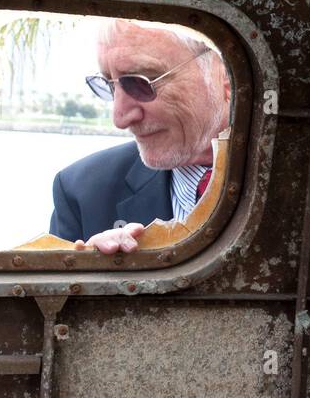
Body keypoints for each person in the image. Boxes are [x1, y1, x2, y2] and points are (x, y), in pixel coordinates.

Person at [48, 19, 231, 253]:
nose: (120, 118)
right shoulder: (83, 192)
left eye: (141, 83)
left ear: (226, 73)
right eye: (109, 85)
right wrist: (90, 269)